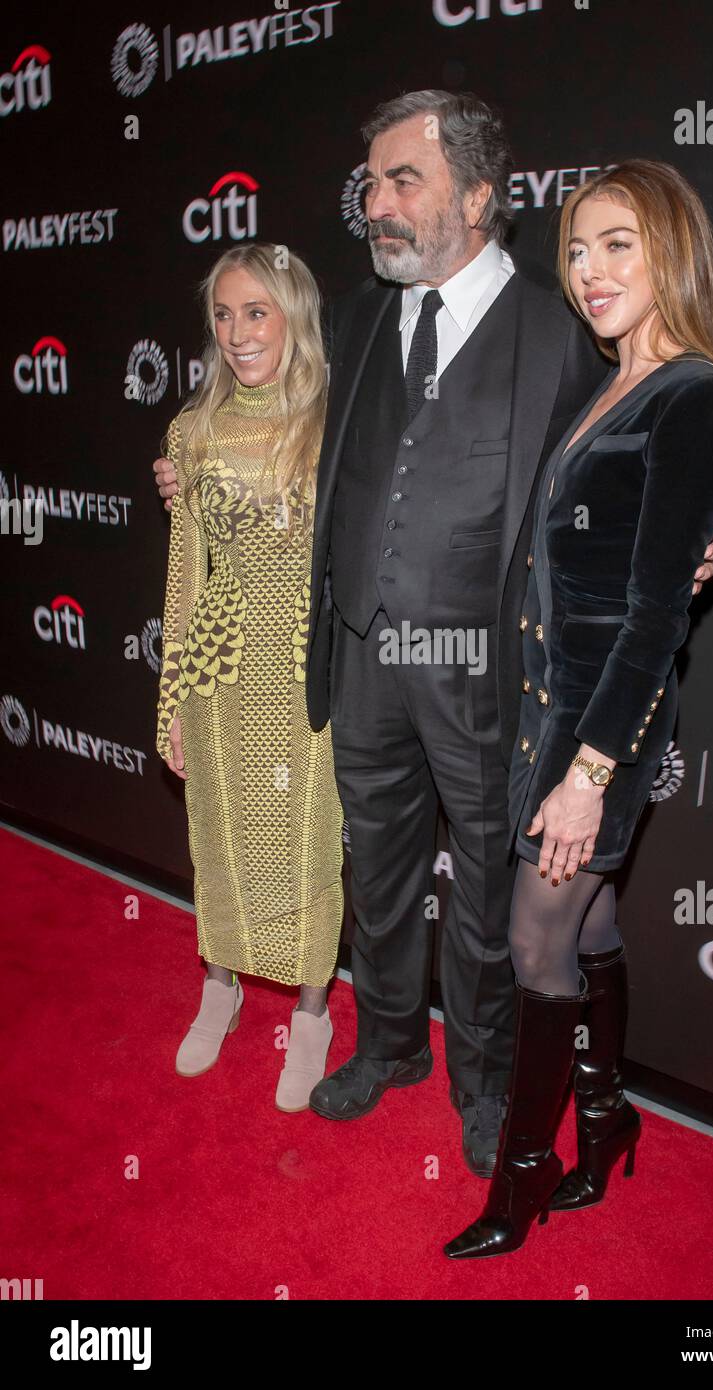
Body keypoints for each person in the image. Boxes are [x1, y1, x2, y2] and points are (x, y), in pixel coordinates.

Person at [153, 92, 713, 1177]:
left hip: (480, 671)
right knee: (376, 870)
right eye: (369, 182)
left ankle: (481, 1078)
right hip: (361, 657)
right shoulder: (364, 317)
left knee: (478, 898)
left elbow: (617, 483)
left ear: (474, 194)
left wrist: (683, 547)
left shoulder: (560, 341)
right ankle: (390, 1046)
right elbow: (272, 430)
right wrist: (193, 471)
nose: (375, 202)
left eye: (400, 179)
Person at [444, 159, 713, 1258]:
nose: (587, 270)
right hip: (550, 704)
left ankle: (519, 1179)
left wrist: (587, 773)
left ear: (669, 249)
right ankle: (605, 1116)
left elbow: (651, 618)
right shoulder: (609, 383)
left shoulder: (695, 397)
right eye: (575, 248)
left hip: (600, 726)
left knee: (536, 943)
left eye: (616, 243)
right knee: (594, 925)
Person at [156, 242, 344, 1111]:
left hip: (310, 671)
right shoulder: (191, 431)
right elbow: (183, 568)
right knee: (221, 841)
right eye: (224, 315)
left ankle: (312, 1015)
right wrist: (171, 706)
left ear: (292, 316)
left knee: (307, 850)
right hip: (218, 667)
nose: (238, 333)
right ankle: (221, 986)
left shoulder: (334, 420)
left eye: (256, 312)